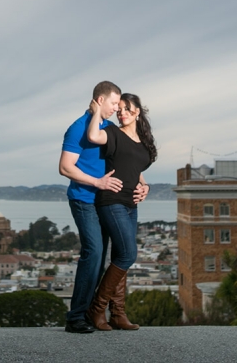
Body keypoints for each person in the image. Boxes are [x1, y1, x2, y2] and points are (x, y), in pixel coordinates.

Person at [58, 82, 148, 334]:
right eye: (113, 104)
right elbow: (65, 167)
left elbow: (126, 161)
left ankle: (106, 313)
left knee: (111, 256)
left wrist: (143, 184)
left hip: (106, 200)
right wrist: (97, 181)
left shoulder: (109, 127)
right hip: (84, 199)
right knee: (94, 253)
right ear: (100, 100)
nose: (117, 110)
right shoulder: (77, 128)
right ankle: (77, 317)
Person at [84, 92, 156, 331]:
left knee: (120, 257)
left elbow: (136, 170)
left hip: (131, 204)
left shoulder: (143, 143)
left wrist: (145, 186)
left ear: (137, 110)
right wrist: (96, 111)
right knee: (128, 255)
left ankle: (117, 314)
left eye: (127, 108)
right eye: (119, 109)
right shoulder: (114, 133)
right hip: (112, 200)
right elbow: (93, 135)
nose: (122, 112)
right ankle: (96, 310)